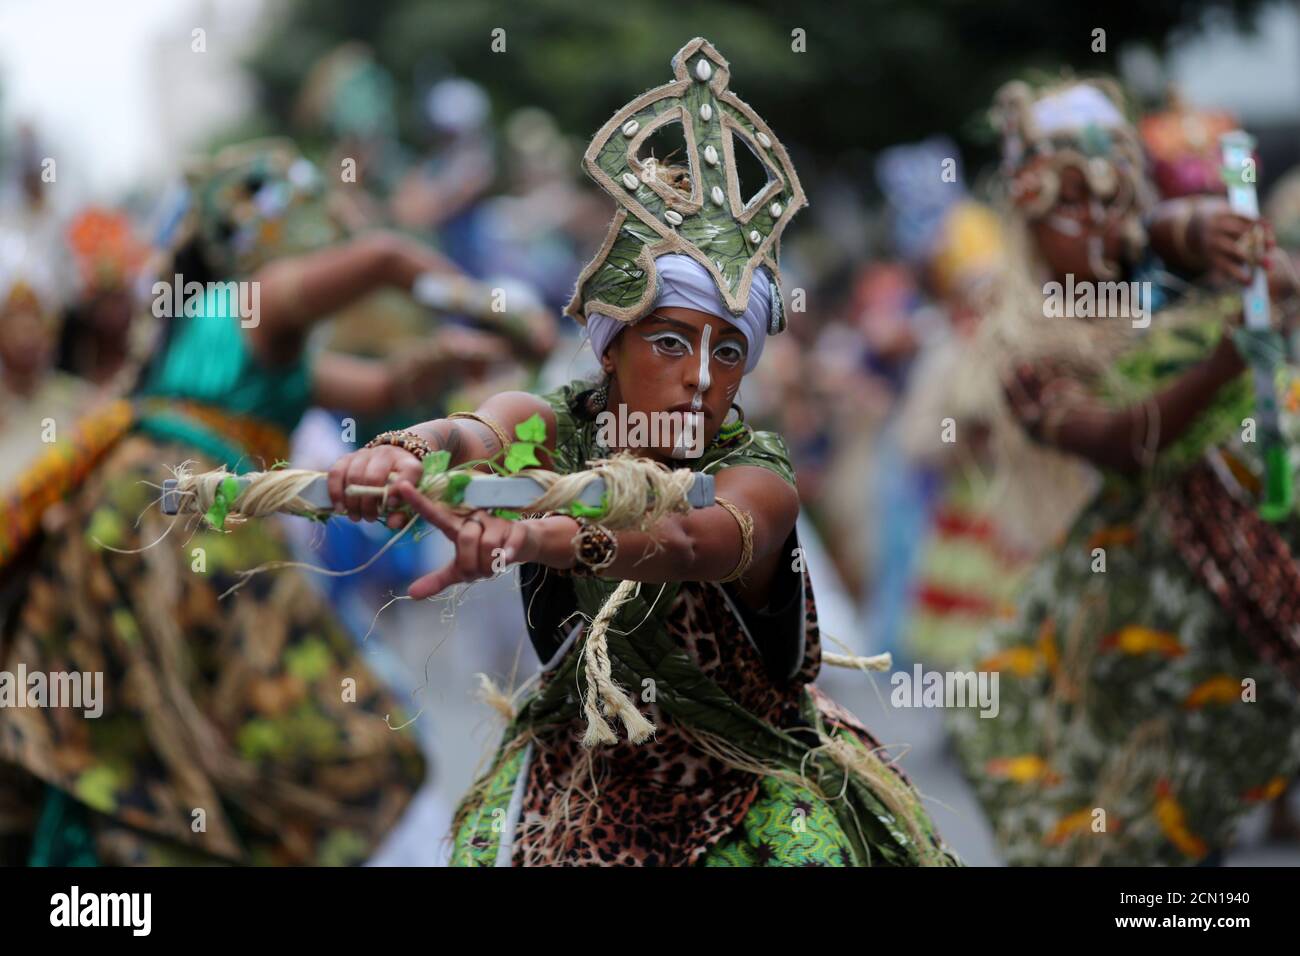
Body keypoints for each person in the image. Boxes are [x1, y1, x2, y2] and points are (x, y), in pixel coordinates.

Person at [328, 38, 955, 867]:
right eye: (670, 342)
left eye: (727, 353)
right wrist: (402, 451)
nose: (700, 378)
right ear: (610, 348)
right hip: (577, 768)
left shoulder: (756, 473)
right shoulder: (554, 425)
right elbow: (475, 438)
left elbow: (690, 543)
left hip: (746, 769)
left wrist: (531, 535)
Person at [0, 139, 512, 865]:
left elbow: (381, 389)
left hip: (147, 525)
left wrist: (445, 363)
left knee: (167, 737)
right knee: (305, 728)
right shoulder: (258, 301)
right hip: (175, 526)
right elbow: (388, 260)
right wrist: (494, 308)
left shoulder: (247, 333)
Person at [947, 77, 1300, 865]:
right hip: (1142, 594)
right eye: (1071, 207)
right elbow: (1115, 439)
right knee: (1138, 812)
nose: (1101, 225)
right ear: (1028, 219)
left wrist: (1215, 230)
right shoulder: (1020, 346)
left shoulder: (1154, 258)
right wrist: (1222, 361)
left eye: (1114, 201)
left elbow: (1178, 226)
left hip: (1253, 552)